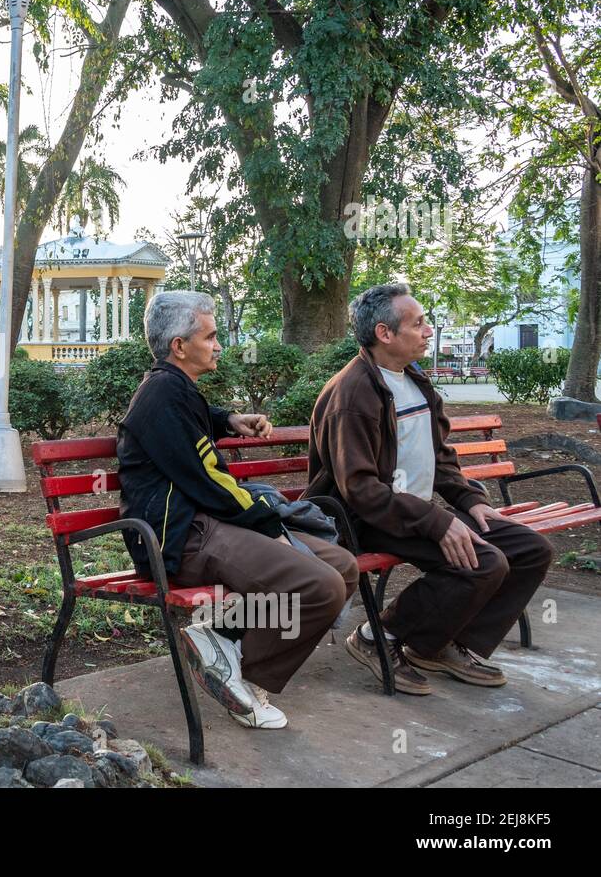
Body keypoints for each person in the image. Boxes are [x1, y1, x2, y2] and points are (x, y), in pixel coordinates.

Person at [118, 291, 358, 730]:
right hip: (181, 537)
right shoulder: (162, 396)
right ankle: (240, 677)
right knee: (321, 587)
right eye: (210, 337)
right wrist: (267, 515)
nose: (218, 346)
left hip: (207, 522)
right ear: (179, 346)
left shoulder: (175, 390)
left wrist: (228, 419)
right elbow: (208, 481)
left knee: (342, 567)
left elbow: (192, 423)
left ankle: (224, 632)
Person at [307, 283, 552, 694]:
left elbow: (440, 457)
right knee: (485, 562)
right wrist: (438, 522)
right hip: (363, 520)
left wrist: (469, 502)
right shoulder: (353, 394)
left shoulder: (414, 382)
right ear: (385, 334)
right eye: (418, 323)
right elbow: (361, 489)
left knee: (529, 550)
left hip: (412, 511)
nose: (429, 331)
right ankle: (376, 637)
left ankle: (438, 644)